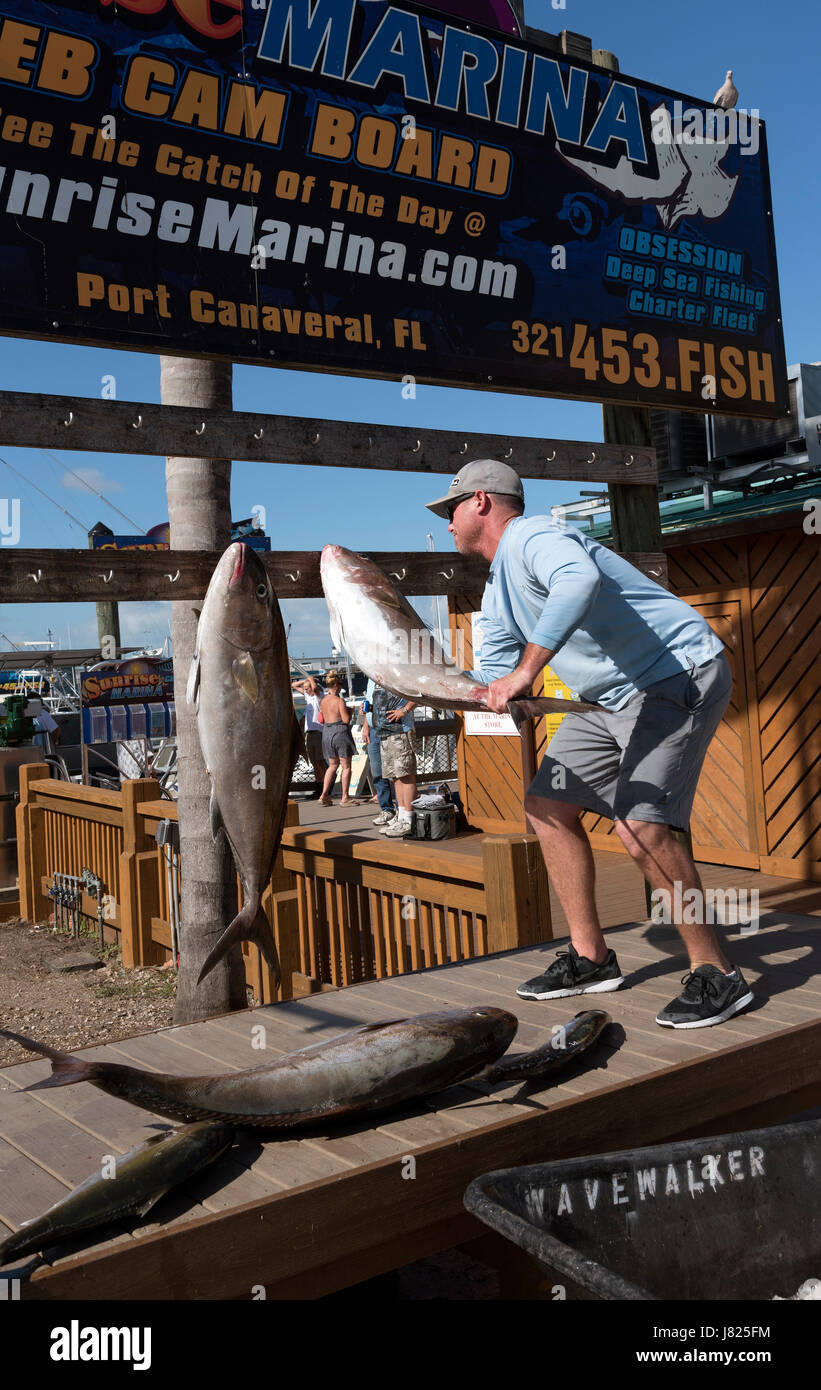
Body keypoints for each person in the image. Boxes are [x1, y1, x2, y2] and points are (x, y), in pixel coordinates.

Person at [426, 458, 753, 1030]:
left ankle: (718, 973)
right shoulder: (497, 588)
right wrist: (480, 694)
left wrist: (527, 673)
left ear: (480, 501)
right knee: (547, 805)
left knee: (640, 825)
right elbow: (501, 672)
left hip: (673, 675)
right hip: (604, 700)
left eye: (449, 510)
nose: (446, 524)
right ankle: (591, 957)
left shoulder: (534, 535)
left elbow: (578, 581)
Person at [365, 682, 418, 839]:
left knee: (405, 774)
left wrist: (404, 710)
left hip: (401, 730)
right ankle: (401, 816)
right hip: (384, 731)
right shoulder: (377, 674)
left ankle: (408, 819)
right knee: (395, 775)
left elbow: (420, 693)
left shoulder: (401, 670)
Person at [318, 670, 356, 806]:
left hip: (327, 733)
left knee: (332, 766)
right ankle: (345, 797)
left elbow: (321, 718)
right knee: (346, 766)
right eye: (339, 683)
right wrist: (350, 711)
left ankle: (324, 795)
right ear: (335, 685)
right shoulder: (339, 700)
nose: (341, 686)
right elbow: (345, 720)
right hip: (340, 732)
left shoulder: (323, 701)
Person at [361, 679, 395, 823]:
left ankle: (401, 810)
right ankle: (386, 810)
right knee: (377, 773)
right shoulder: (369, 679)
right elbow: (369, 703)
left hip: (389, 727)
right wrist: (366, 725)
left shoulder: (388, 673)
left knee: (395, 772)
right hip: (373, 729)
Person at [292, 676, 327, 795]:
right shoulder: (308, 696)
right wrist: (306, 680)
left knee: (320, 761)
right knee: (314, 762)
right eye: (305, 689)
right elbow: (294, 686)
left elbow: (316, 688)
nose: (305, 691)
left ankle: (325, 787)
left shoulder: (319, 696)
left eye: (307, 689)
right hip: (310, 732)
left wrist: (311, 680)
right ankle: (319, 785)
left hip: (318, 732)